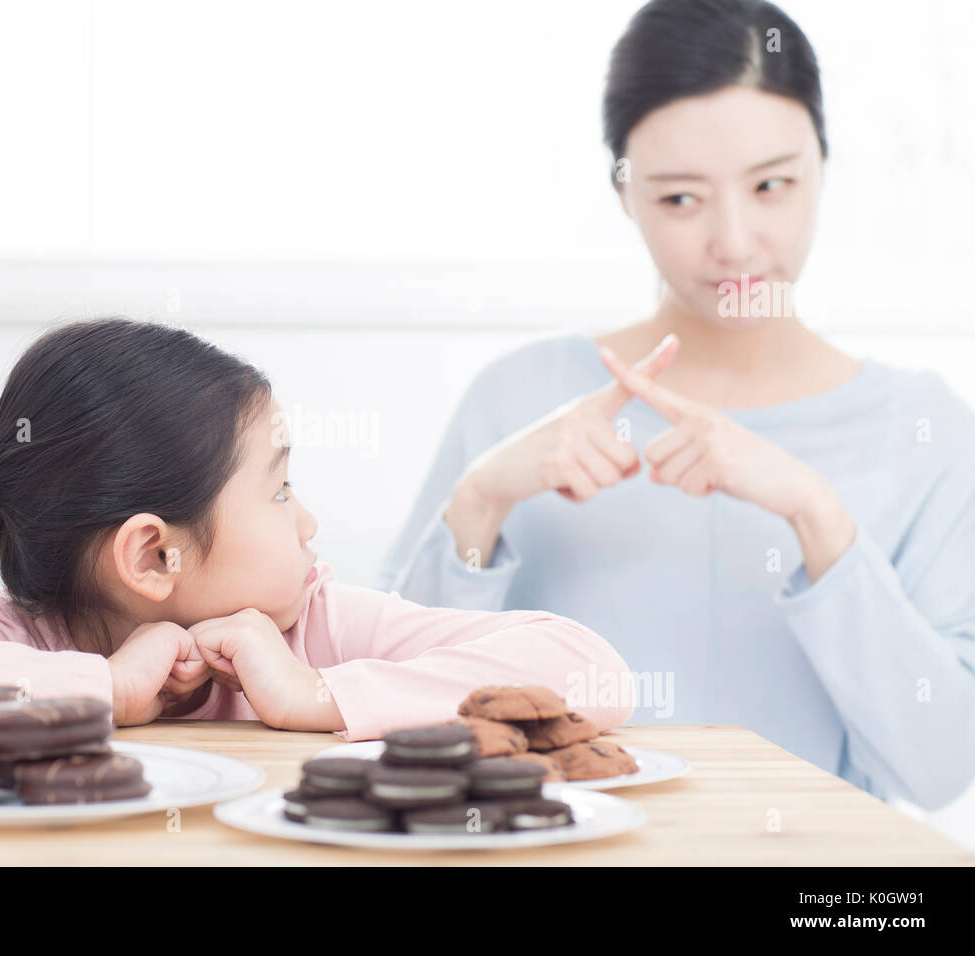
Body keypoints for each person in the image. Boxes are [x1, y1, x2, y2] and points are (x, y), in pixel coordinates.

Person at [377, 0, 975, 811]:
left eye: (772, 185)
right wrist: (478, 504)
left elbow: (940, 769)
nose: (734, 242)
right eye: (681, 199)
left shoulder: (924, 429)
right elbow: (396, 722)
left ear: (823, 167)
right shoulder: (517, 398)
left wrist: (818, 516)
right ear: (626, 194)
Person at [0, 318, 634, 743]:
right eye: (281, 491)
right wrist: (106, 689)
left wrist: (316, 695)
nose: (309, 521)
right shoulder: (21, 644)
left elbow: (588, 669)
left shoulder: (315, 628)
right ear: (156, 554)